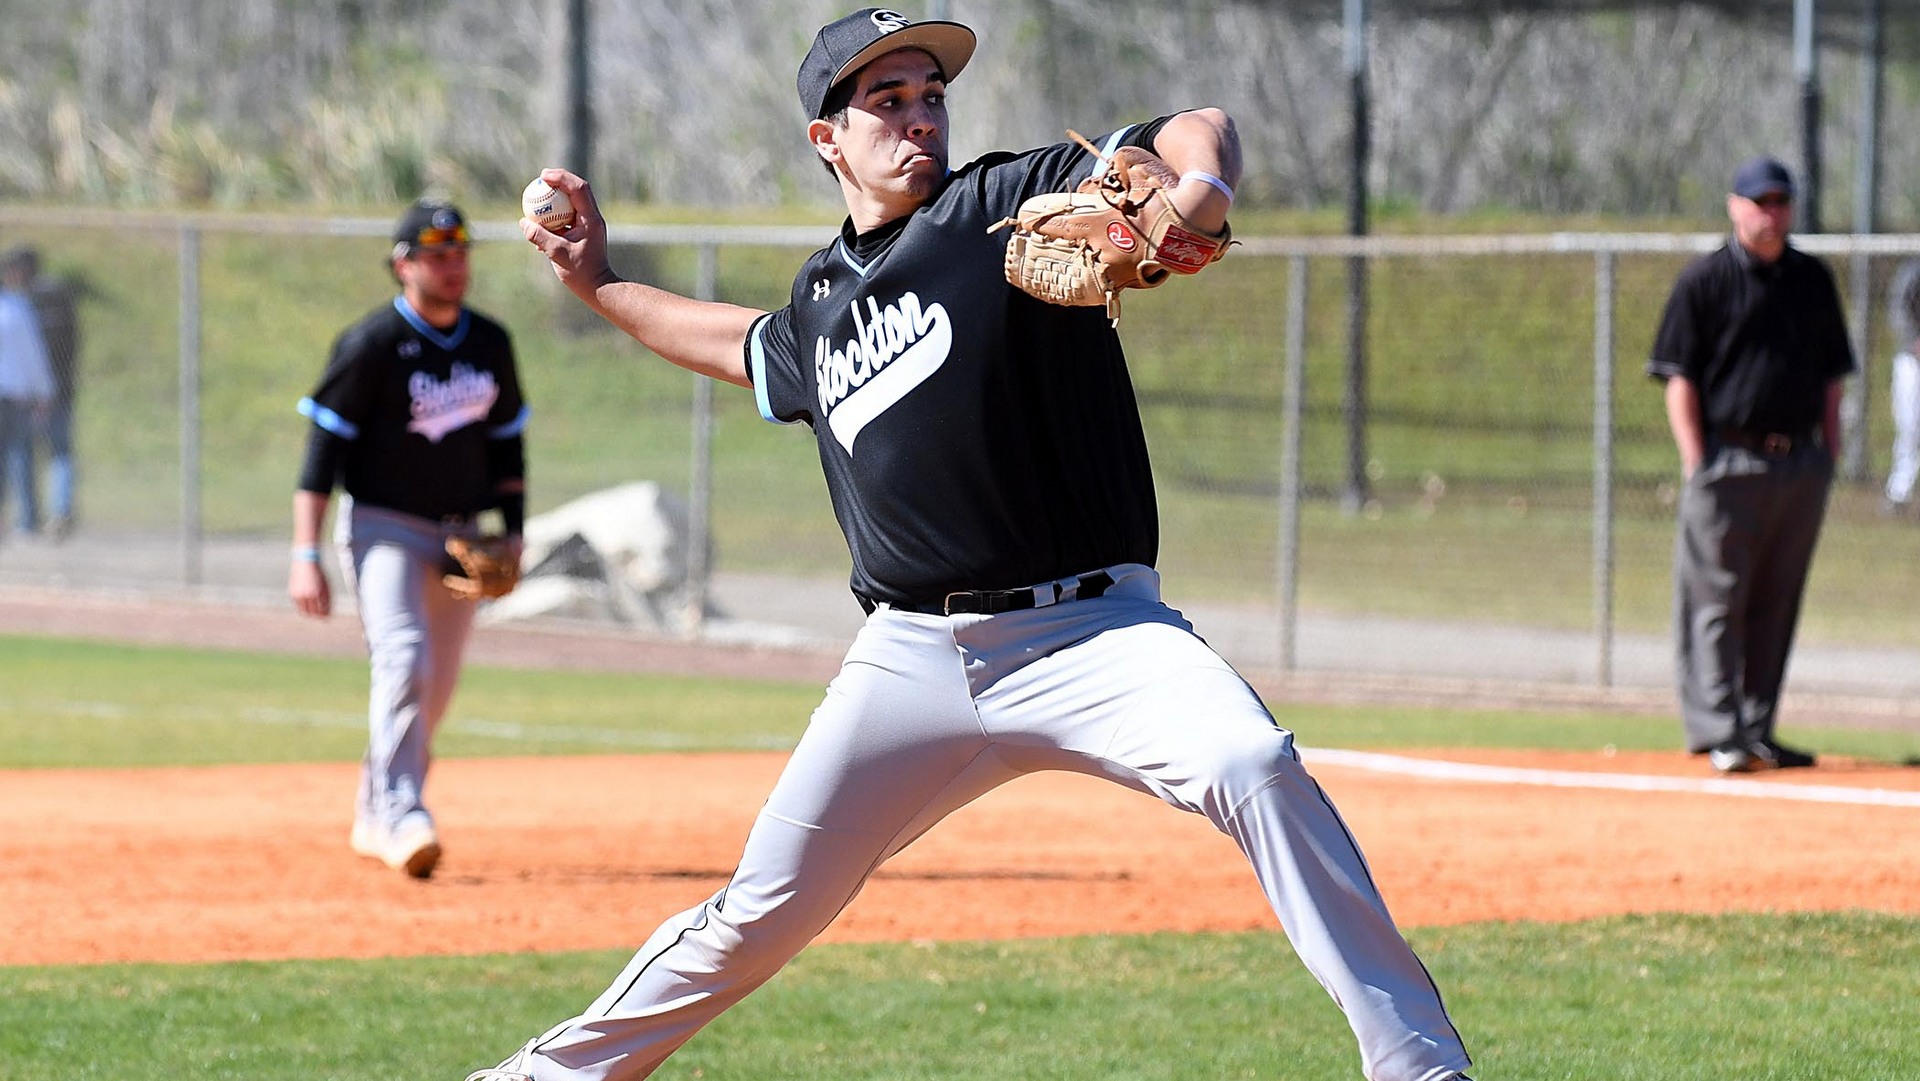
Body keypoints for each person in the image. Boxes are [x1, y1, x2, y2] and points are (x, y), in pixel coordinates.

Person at [467, 11, 1473, 1081]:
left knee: (1252, 762)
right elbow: (731, 343)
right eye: (886, 100)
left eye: (930, 95)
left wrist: (1197, 192)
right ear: (828, 140)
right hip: (912, 661)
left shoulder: (998, 205)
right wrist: (596, 280)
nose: (917, 117)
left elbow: (1196, 124)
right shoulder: (818, 304)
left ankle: (1418, 1066)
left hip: (1099, 632)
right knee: (759, 909)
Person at [287, 199, 529, 879]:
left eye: (460, 252)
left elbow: (508, 447)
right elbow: (321, 455)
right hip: (383, 525)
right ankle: (400, 812)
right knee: (405, 656)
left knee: (437, 683)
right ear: (404, 264)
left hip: (460, 540)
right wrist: (305, 554)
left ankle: (375, 804)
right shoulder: (371, 344)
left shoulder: (489, 342)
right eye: (436, 253)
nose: (453, 265)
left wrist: (511, 535)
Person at [1647, 155, 1854, 775]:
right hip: (1727, 461)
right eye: (1759, 202)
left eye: (1780, 202)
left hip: (1798, 465)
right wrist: (1696, 461)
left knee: (1775, 600)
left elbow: (1832, 379)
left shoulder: (1812, 280)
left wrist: (1829, 454)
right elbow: (1677, 376)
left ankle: (1758, 727)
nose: (1771, 214)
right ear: (1735, 207)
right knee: (1716, 601)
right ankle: (1718, 729)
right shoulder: (1705, 280)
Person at [16, 247, 81, 540]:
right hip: (57, 388)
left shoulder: (24, 302)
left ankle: (31, 518)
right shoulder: (59, 298)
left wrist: (44, 389)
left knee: (26, 453)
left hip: (31, 392)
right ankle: (57, 513)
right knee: (58, 453)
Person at [0, 246, 55, 541]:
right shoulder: (19, 310)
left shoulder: (18, 308)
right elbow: (34, 356)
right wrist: (44, 390)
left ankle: (22, 519)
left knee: (18, 456)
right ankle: (27, 520)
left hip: (15, 396)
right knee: (20, 456)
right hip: (17, 395)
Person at [1883, 257, 1920, 513]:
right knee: (1910, 426)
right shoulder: (1913, 270)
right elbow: (1898, 310)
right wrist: (1912, 341)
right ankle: (1900, 492)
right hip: (1913, 360)